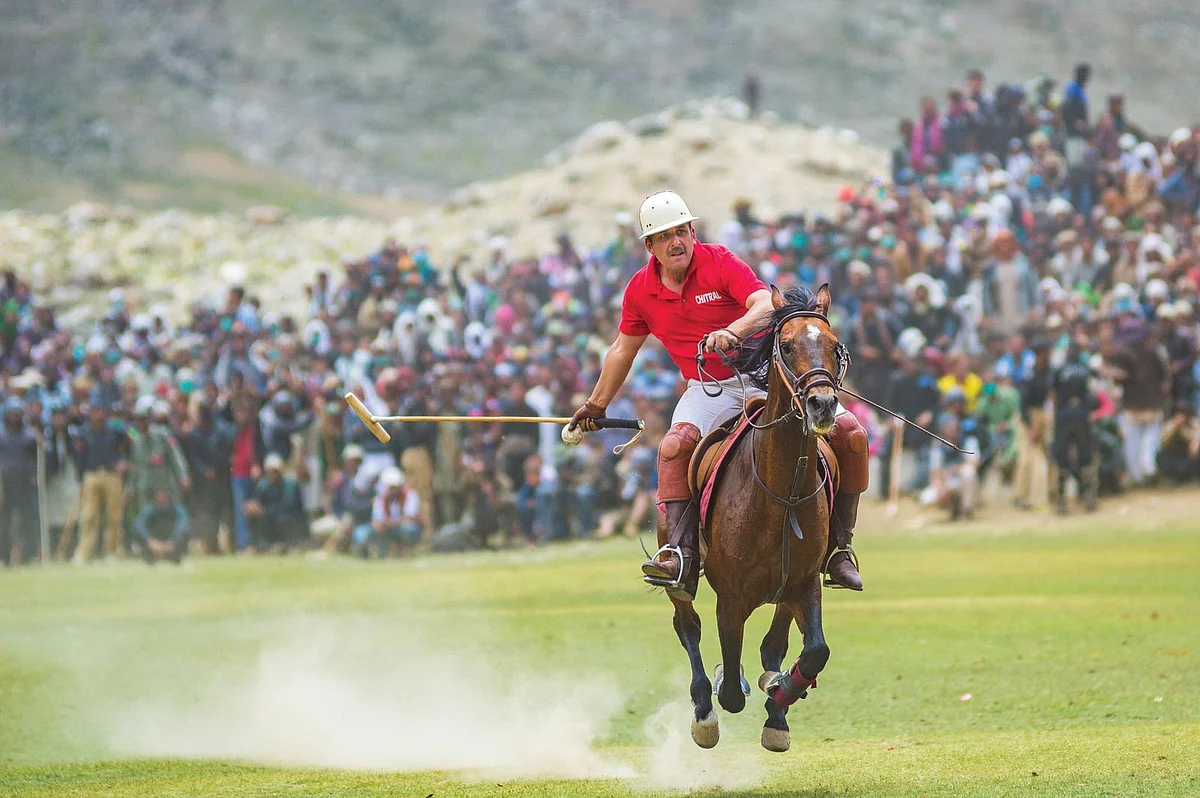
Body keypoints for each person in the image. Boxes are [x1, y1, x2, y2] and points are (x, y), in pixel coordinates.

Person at [568, 191, 870, 601]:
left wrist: (735, 332)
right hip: (710, 388)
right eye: (665, 236)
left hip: (769, 379)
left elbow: (764, 303)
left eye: (682, 231)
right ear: (649, 246)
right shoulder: (640, 290)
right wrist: (596, 404)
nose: (676, 242)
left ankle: (839, 548)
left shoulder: (720, 261)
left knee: (851, 435)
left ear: (693, 232)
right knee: (674, 447)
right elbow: (624, 348)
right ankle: (680, 553)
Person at [1050, 339, 1098, 513]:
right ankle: (1085, 498)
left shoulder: (1060, 370)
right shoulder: (1084, 369)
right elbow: (1092, 393)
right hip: (1079, 416)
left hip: (1066, 416)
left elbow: (1053, 394)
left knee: (1065, 457)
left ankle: (1066, 500)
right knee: (1083, 456)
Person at [0, 398, 40, 566]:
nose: (15, 417)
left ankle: (30, 556)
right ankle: (3, 557)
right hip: (5, 484)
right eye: (12, 414)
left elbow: (37, 459)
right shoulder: (1, 435)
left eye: (18, 414)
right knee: (4, 521)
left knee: (29, 518)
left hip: (25, 484)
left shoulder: (30, 436)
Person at [358, 467, 421, 558]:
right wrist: (381, 524)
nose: (393, 490)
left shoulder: (410, 495)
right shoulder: (380, 498)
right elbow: (376, 520)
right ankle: (381, 554)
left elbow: (409, 518)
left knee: (408, 529)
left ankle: (407, 551)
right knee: (363, 533)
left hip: (400, 528)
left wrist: (389, 523)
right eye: (391, 487)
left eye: (395, 487)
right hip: (386, 529)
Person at [133, 487, 189, 564]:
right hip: (153, 542)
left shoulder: (178, 509)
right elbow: (139, 525)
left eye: (165, 496)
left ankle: (172, 556)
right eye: (160, 496)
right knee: (137, 533)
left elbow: (183, 525)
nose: (163, 499)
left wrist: (173, 541)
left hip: (172, 542)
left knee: (185, 534)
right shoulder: (149, 509)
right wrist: (150, 540)